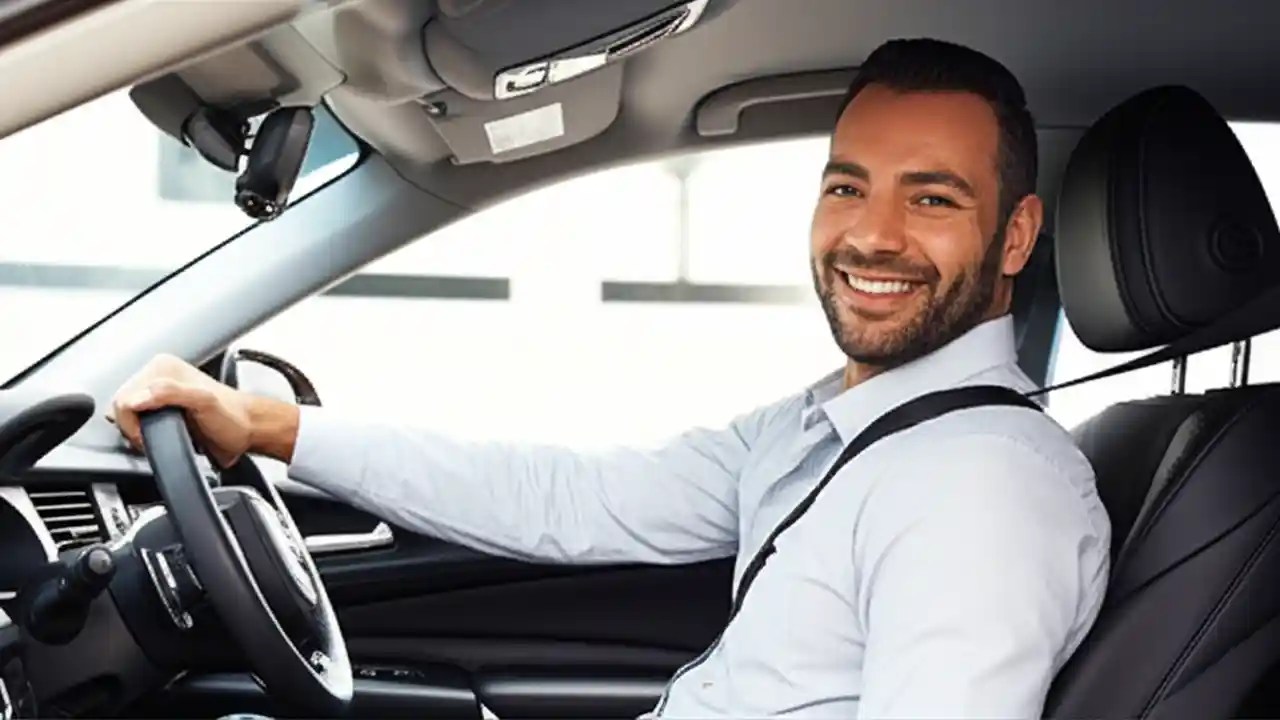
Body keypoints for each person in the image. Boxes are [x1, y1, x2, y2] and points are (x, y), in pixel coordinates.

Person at [111, 38, 1110, 719]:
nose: (871, 235)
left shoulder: (981, 488)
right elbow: (574, 497)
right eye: (845, 185)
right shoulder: (838, 426)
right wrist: (270, 426)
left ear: (1014, 234)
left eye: (930, 198)